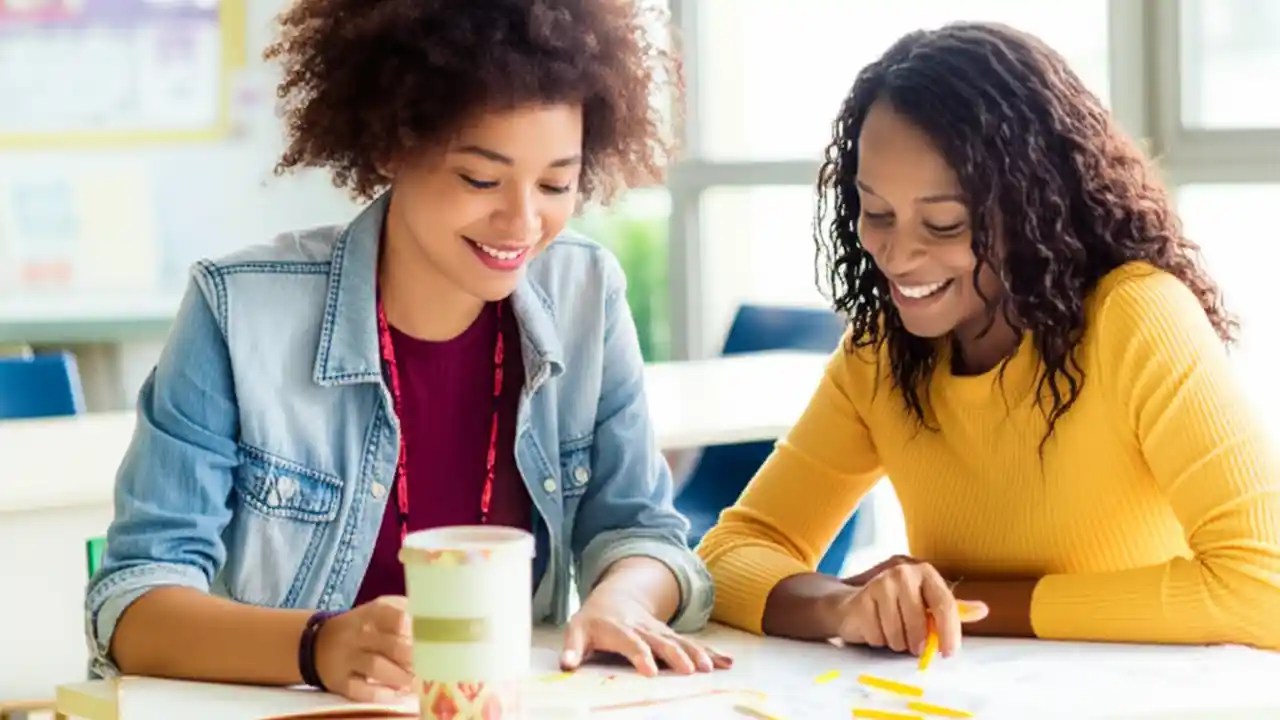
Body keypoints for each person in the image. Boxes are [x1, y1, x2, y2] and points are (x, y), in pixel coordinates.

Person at [86, 0, 728, 703]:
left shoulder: (585, 292)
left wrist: (623, 600)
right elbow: (133, 602)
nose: (522, 221)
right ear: (393, 145)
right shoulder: (239, 312)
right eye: (481, 179)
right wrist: (317, 645)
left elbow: (641, 530)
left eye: (554, 183)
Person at [698, 22, 1280, 658]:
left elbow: (1264, 586)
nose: (897, 253)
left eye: (944, 223)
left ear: (1033, 208)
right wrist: (848, 605)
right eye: (877, 212)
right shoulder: (881, 355)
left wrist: (962, 601)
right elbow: (730, 554)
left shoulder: (1136, 318)